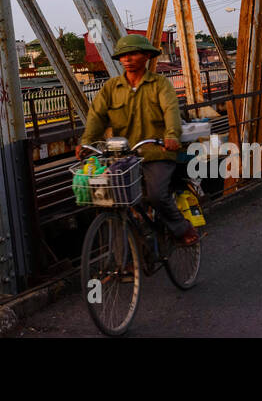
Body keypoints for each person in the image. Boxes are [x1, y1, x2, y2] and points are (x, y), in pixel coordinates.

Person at [77, 34, 199, 245]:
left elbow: (171, 111)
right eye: (123, 56)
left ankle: (181, 228)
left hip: (156, 152)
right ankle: (121, 261)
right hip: (123, 157)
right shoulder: (111, 88)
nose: (127, 59)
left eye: (133, 54)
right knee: (110, 200)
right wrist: (87, 142)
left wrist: (171, 136)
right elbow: (97, 116)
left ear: (146, 56)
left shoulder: (160, 84)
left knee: (156, 195)